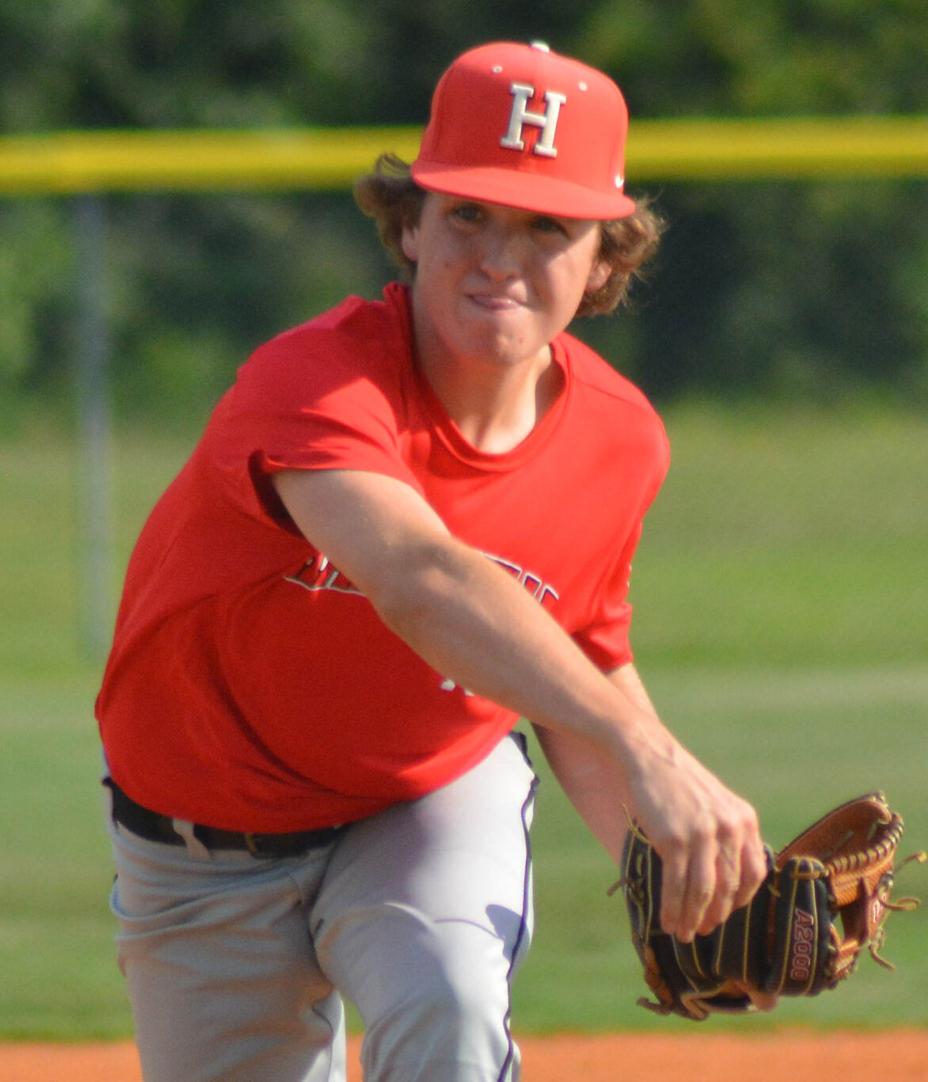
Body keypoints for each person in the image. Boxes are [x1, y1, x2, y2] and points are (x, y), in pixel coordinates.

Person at [95, 39, 767, 1082]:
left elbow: (577, 669)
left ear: (605, 262)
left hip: (424, 798)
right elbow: (421, 578)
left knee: (448, 1000)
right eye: (468, 214)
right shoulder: (314, 385)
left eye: (547, 226)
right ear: (409, 224)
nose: (500, 255)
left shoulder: (620, 439)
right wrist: (657, 749)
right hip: (202, 846)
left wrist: (681, 870)